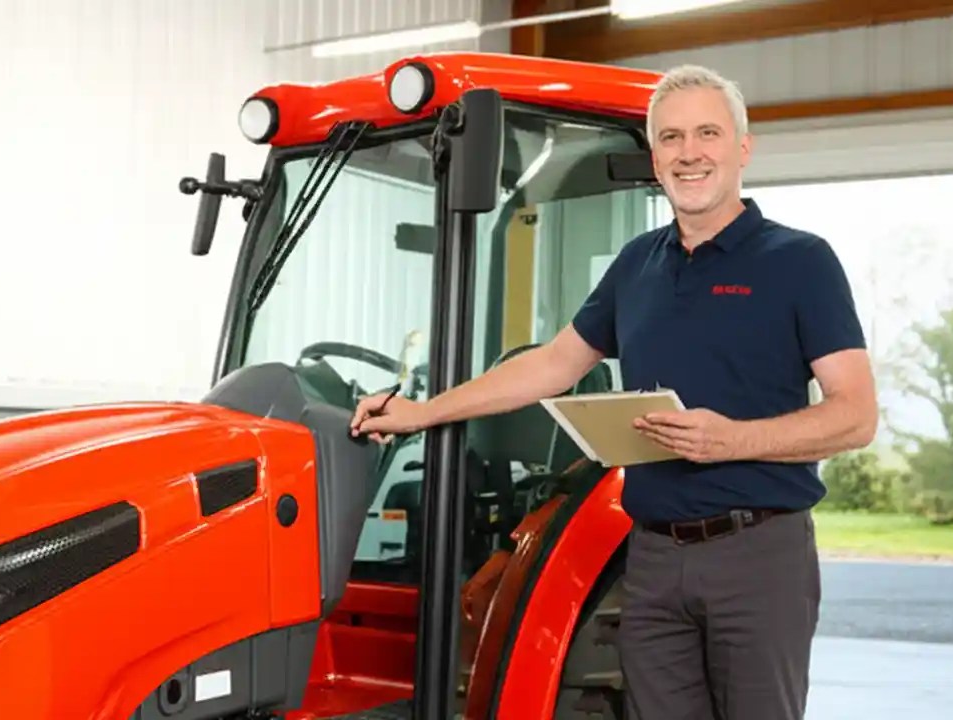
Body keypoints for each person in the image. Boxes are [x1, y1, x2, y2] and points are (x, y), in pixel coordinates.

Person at [350, 64, 878, 720]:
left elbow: (856, 414)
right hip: (653, 556)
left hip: (757, 556)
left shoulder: (800, 261)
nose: (690, 153)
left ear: (743, 148)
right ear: (655, 156)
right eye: (671, 138)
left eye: (707, 133)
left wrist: (732, 440)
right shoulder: (638, 265)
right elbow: (552, 365)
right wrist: (422, 413)